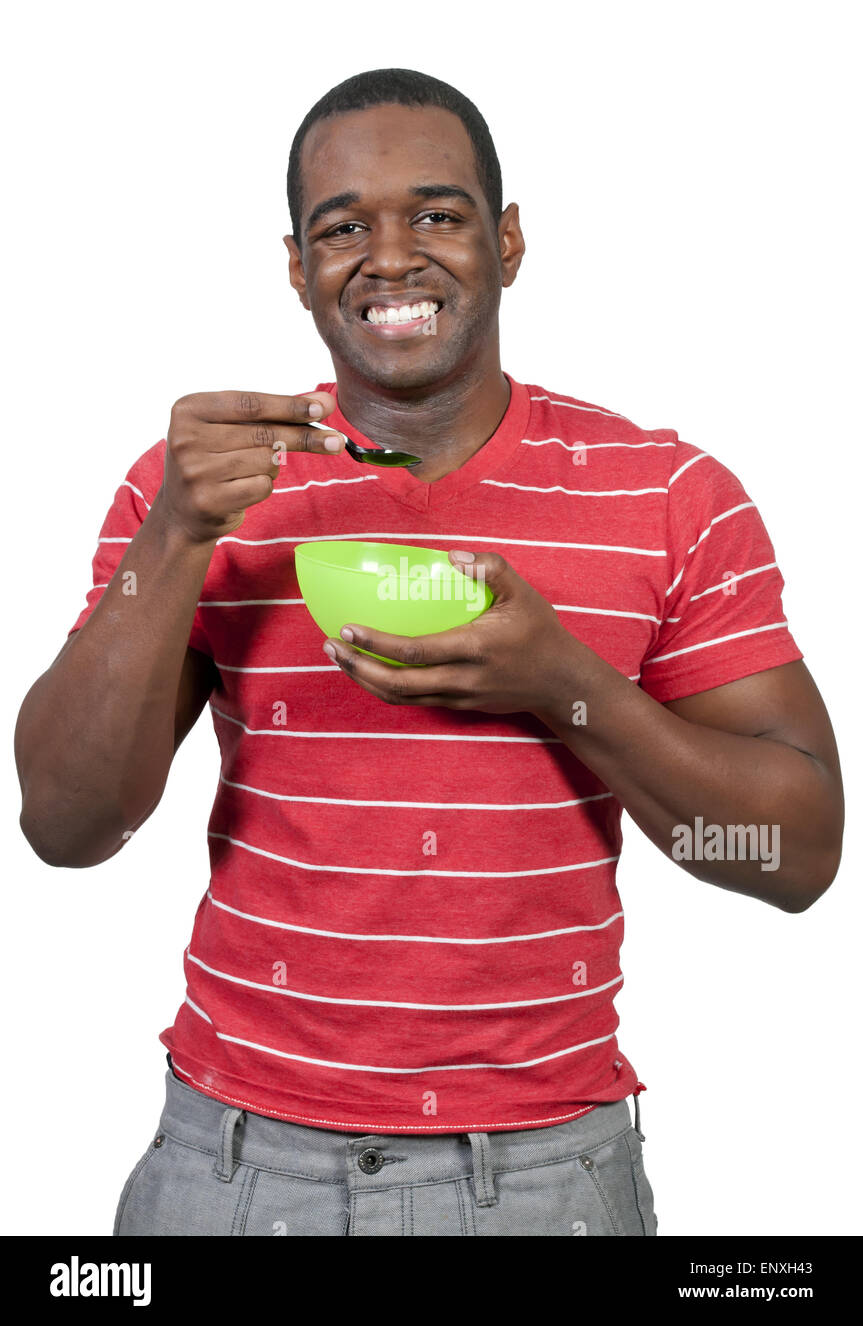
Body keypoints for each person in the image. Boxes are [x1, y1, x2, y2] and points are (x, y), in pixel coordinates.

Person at [15, 67, 843, 1238]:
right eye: (341, 226)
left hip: (545, 1174)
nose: (389, 255)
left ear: (507, 242)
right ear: (297, 267)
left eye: (437, 214)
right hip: (235, 1162)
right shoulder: (193, 491)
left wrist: (562, 685)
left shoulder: (664, 494)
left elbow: (790, 854)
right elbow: (65, 823)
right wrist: (175, 536)